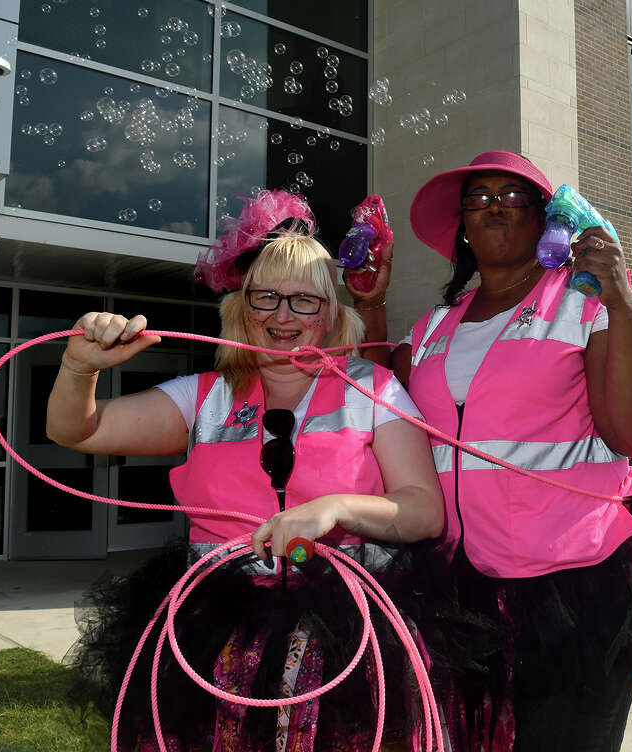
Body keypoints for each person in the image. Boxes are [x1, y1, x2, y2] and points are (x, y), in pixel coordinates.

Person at [351, 151, 632, 752]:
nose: (494, 207)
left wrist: (621, 297)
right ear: (463, 228)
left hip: (574, 586)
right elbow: (373, 411)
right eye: (479, 199)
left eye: (512, 196)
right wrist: (370, 307)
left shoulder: (585, 303)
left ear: (548, 221)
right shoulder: (430, 330)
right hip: (461, 590)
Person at [48, 189, 444, 751]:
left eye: (305, 301)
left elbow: (424, 511)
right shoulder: (203, 396)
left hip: (346, 632)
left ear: (331, 314)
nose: (284, 316)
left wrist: (336, 508)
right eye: (268, 298)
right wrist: (77, 367)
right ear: (243, 308)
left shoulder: (374, 390)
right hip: (216, 630)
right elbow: (77, 429)